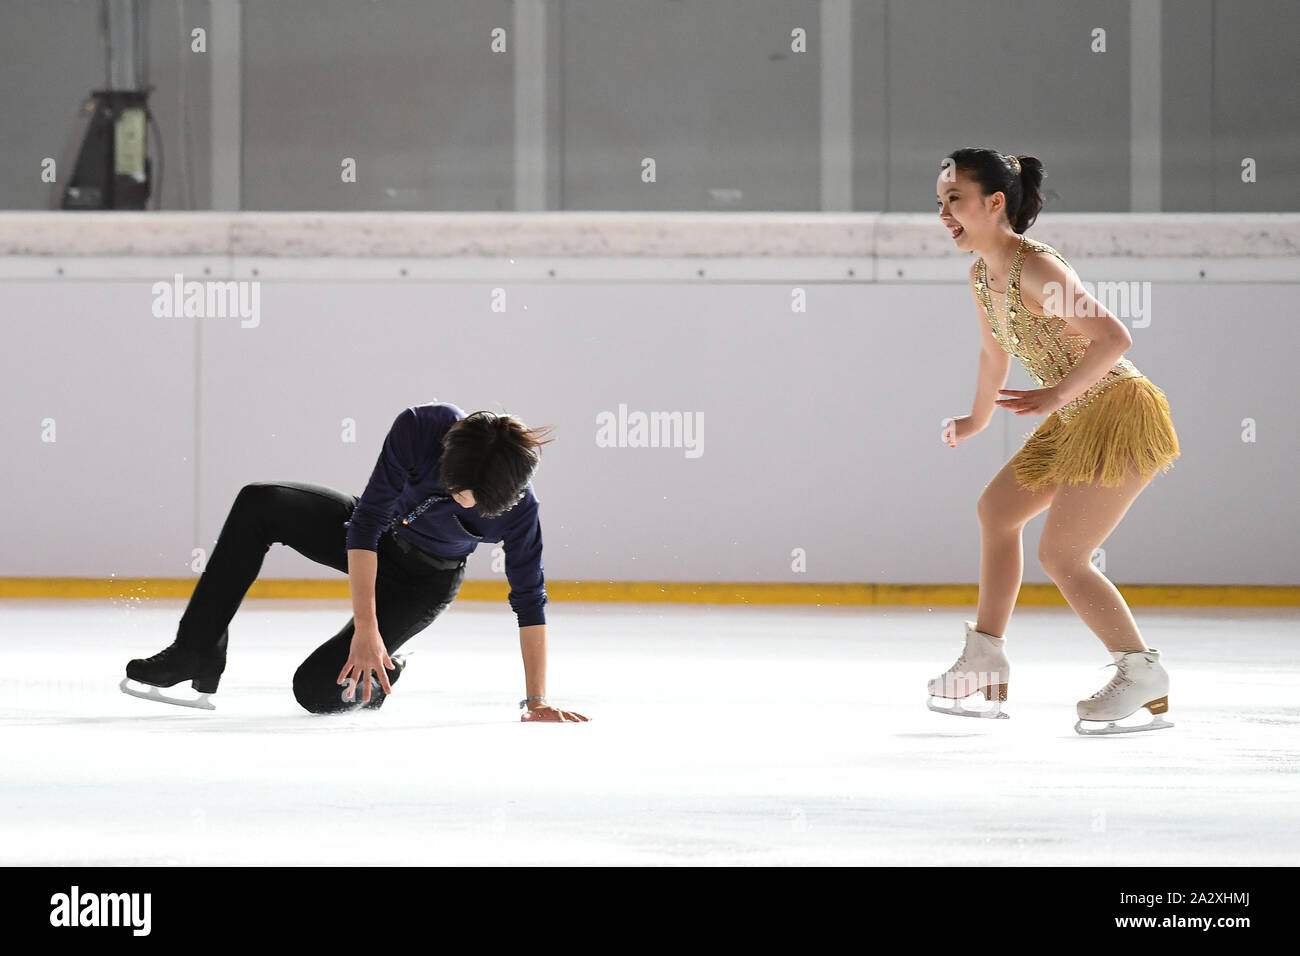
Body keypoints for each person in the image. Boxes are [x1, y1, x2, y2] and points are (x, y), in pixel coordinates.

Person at [122, 402, 588, 722]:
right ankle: (196, 649)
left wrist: (537, 699)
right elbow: (364, 524)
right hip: (373, 533)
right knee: (260, 503)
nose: (468, 506)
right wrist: (366, 629)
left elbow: (530, 602)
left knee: (316, 691)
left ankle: (388, 670)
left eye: (482, 505)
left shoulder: (520, 511)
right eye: (463, 493)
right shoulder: (422, 426)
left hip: (423, 582)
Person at [928, 148, 1180, 735]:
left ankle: (1141, 672)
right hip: (1075, 414)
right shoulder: (981, 275)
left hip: (1118, 410)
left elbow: (1114, 338)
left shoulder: (1038, 270)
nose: (944, 214)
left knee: (1061, 555)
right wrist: (976, 419)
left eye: (954, 200)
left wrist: (1055, 395)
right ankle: (985, 656)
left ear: (994, 203)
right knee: (997, 510)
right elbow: (995, 354)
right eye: (939, 202)